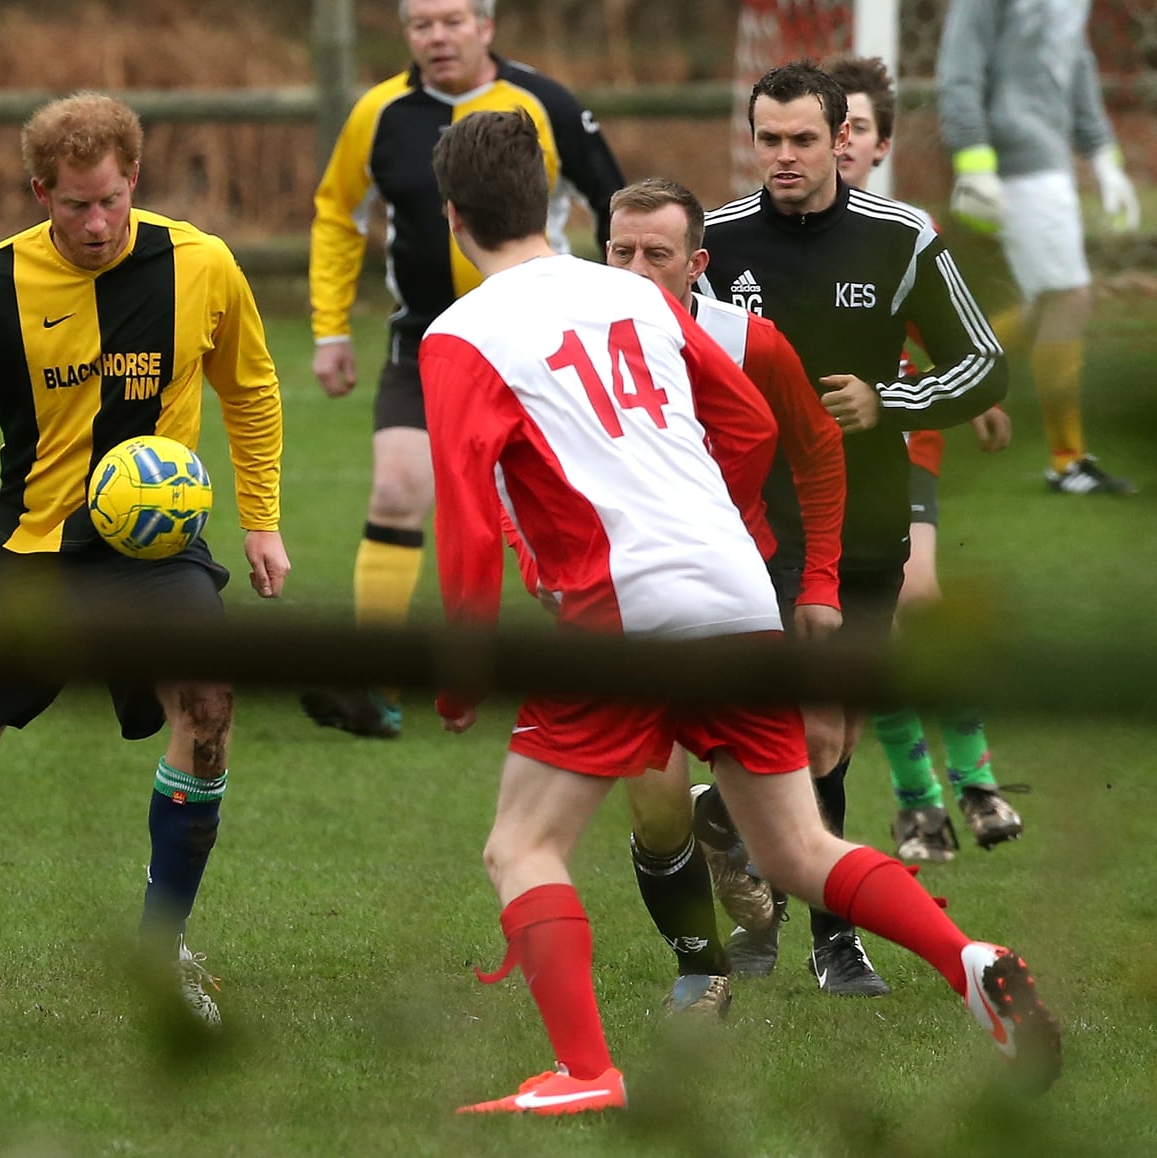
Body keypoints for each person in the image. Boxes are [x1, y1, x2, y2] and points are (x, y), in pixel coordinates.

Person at [420, 108, 1058, 1115]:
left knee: (522, 847)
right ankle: (971, 958)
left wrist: (461, 671)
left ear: (453, 217)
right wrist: (713, 524)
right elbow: (752, 416)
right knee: (797, 850)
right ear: (552, 200)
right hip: (732, 585)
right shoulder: (631, 296)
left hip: (619, 612)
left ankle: (585, 1073)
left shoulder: (460, 336)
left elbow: (462, 518)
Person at [0, 91, 290, 1035]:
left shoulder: (200, 263)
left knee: (207, 712)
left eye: (112, 199)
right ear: (41, 192)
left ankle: (162, 956)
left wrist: (263, 520)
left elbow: (251, 384)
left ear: (134, 181)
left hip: (157, 552)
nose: (98, 222)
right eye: (75, 204)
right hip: (28, 555)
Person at [693, 61, 1008, 997]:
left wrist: (892, 400)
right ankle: (808, 932)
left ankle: (742, 838)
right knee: (792, 721)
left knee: (830, 741)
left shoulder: (900, 237)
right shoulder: (713, 241)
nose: (783, 156)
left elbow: (983, 365)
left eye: (802, 139)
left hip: (864, 525)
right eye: (768, 139)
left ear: (845, 141)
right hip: (743, 527)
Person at [299, 0, 624, 739]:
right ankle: (374, 681)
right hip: (425, 340)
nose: (437, 37)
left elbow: (615, 205)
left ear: (487, 25)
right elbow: (336, 214)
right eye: (420, 24)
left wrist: (624, 301)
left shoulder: (545, 105)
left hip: (540, 339)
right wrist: (328, 329)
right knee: (397, 485)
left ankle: (608, 666)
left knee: (563, 513)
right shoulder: (378, 114)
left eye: (452, 20)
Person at [599, 176, 846, 1019]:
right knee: (654, 801)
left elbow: (817, 455)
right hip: (629, 598)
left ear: (697, 262)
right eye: (619, 251)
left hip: (745, 588)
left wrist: (818, 583)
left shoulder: (753, 344)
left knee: (810, 766)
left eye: (656, 255)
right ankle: (700, 969)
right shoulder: (574, 342)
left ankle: (780, 883)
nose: (635, 270)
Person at [827, 55, 1026, 863]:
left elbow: (954, 339)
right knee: (864, 634)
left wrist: (984, 396)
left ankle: (977, 783)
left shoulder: (906, 231)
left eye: (856, 129)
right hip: (812, 454)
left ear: (879, 145)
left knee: (919, 596)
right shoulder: (773, 234)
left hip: (901, 434)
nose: (840, 143)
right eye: (827, 128)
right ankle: (918, 806)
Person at [938, 0, 1140, 495]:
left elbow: (1076, 62)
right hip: (1012, 163)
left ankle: (934, 389)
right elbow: (958, 69)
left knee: (1046, 305)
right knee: (1068, 297)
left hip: (1051, 160)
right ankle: (1067, 462)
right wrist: (974, 160)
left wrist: (1102, 157)